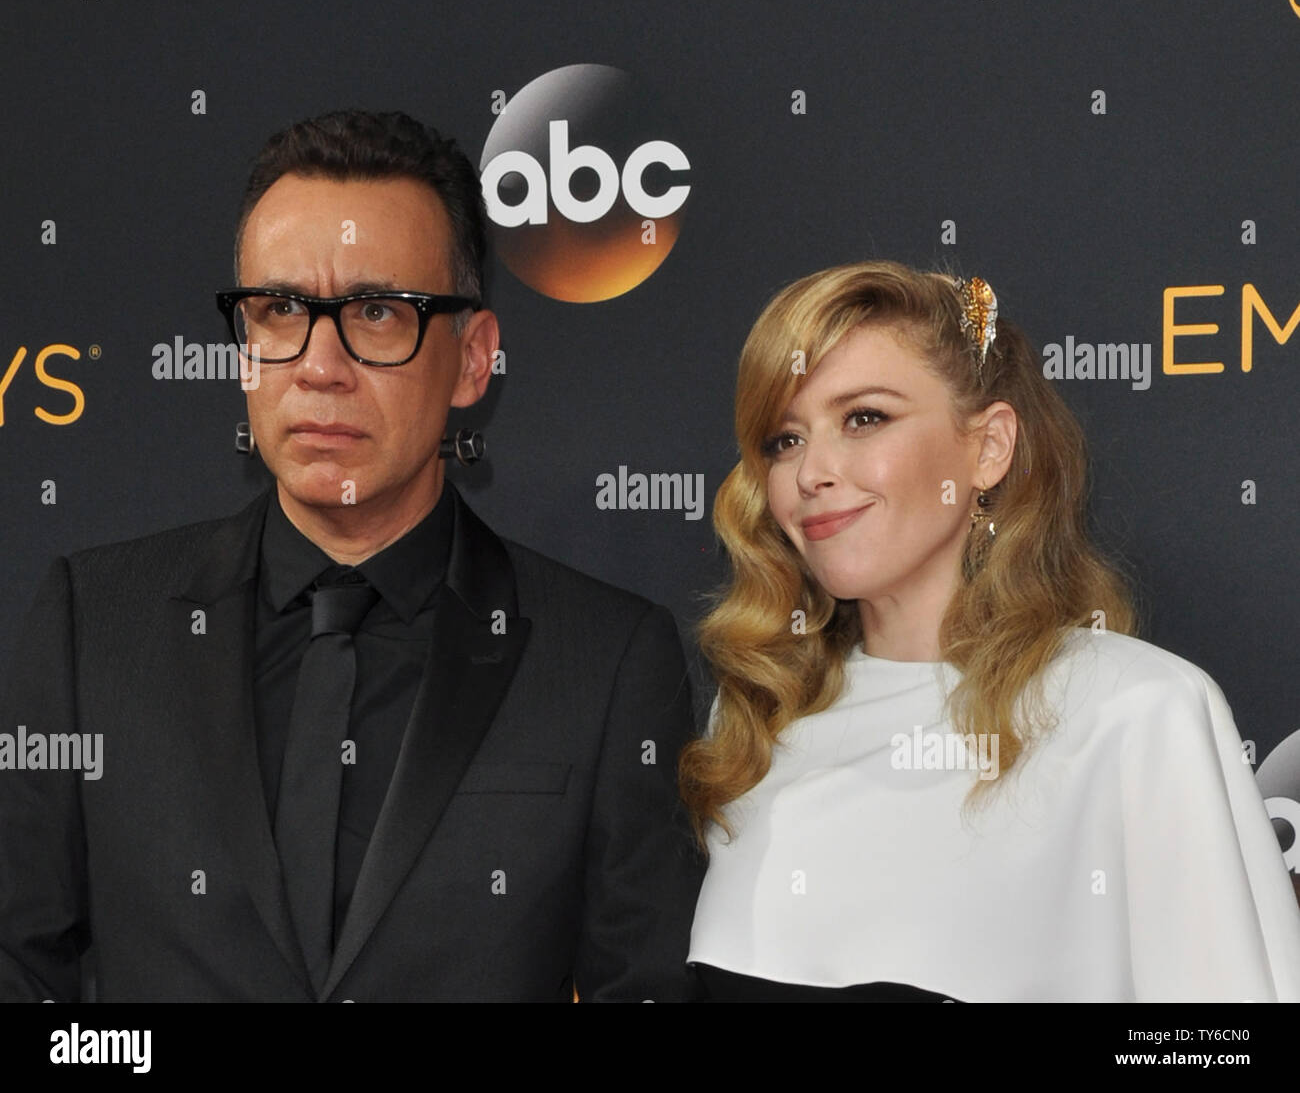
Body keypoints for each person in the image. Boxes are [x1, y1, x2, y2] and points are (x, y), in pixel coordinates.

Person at [0, 109, 702, 1002]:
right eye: (281, 309)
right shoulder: (92, 624)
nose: (318, 365)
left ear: (473, 358)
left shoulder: (606, 660)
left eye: (377, 312)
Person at [680, 260, 1300, 1002]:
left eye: (864, 418)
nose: (812, 470)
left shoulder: (1133, 710)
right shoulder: (759, 720)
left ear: (988, 447)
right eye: (783, 439)